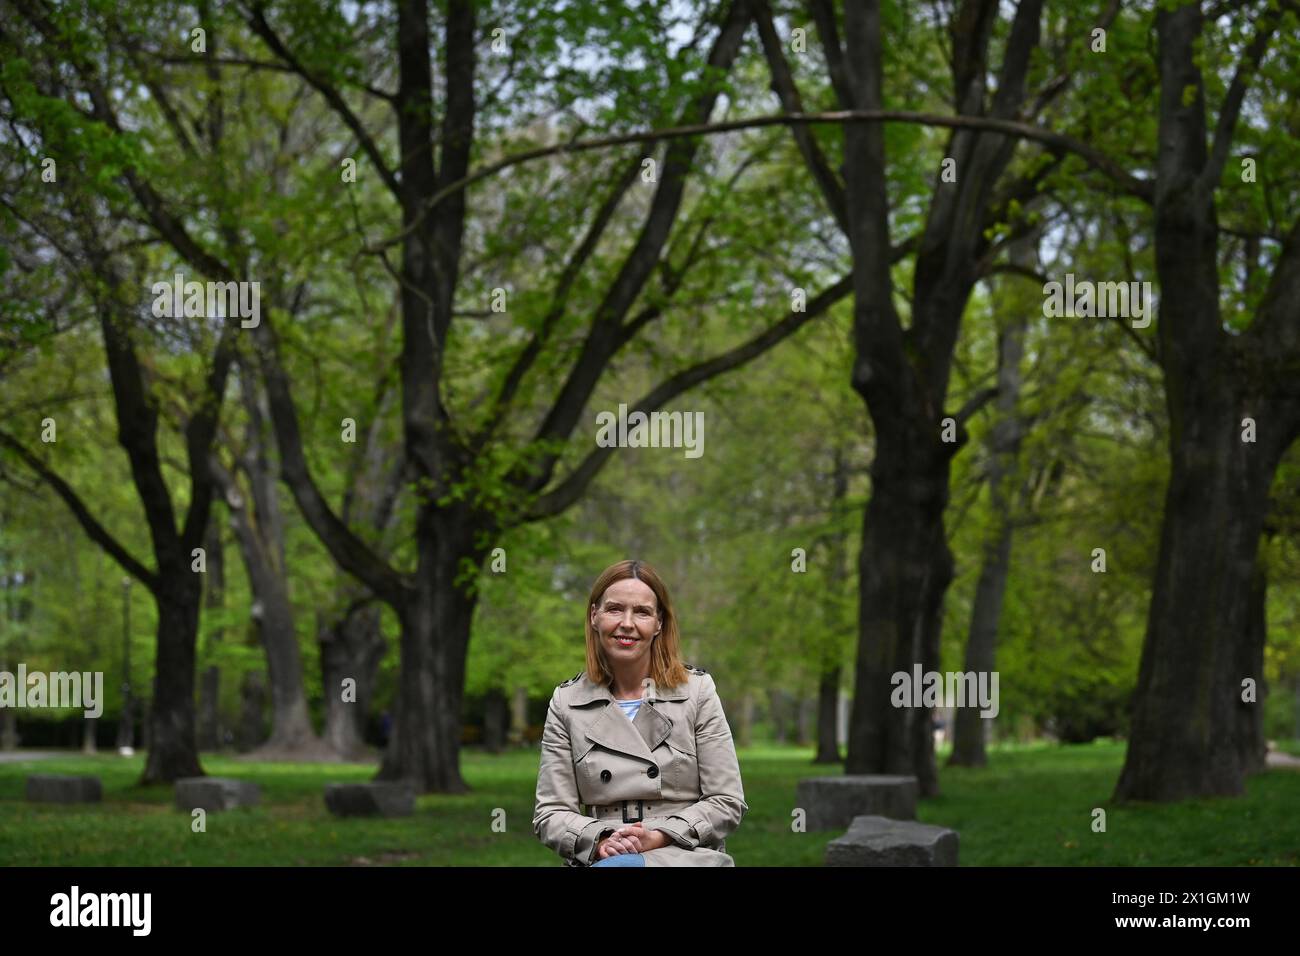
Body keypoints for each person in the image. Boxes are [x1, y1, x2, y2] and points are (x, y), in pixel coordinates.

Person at [533, 559, 748, 867]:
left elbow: (726, 801)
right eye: (615, 609)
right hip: (601, 854)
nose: (627, 623)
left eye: (642, 612)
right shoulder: (567, 701)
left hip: (684, 853)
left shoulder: (697, 692)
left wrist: (658, 834)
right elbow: (550, 812)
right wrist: (602, 841)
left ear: (659, 622)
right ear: (595, 616)